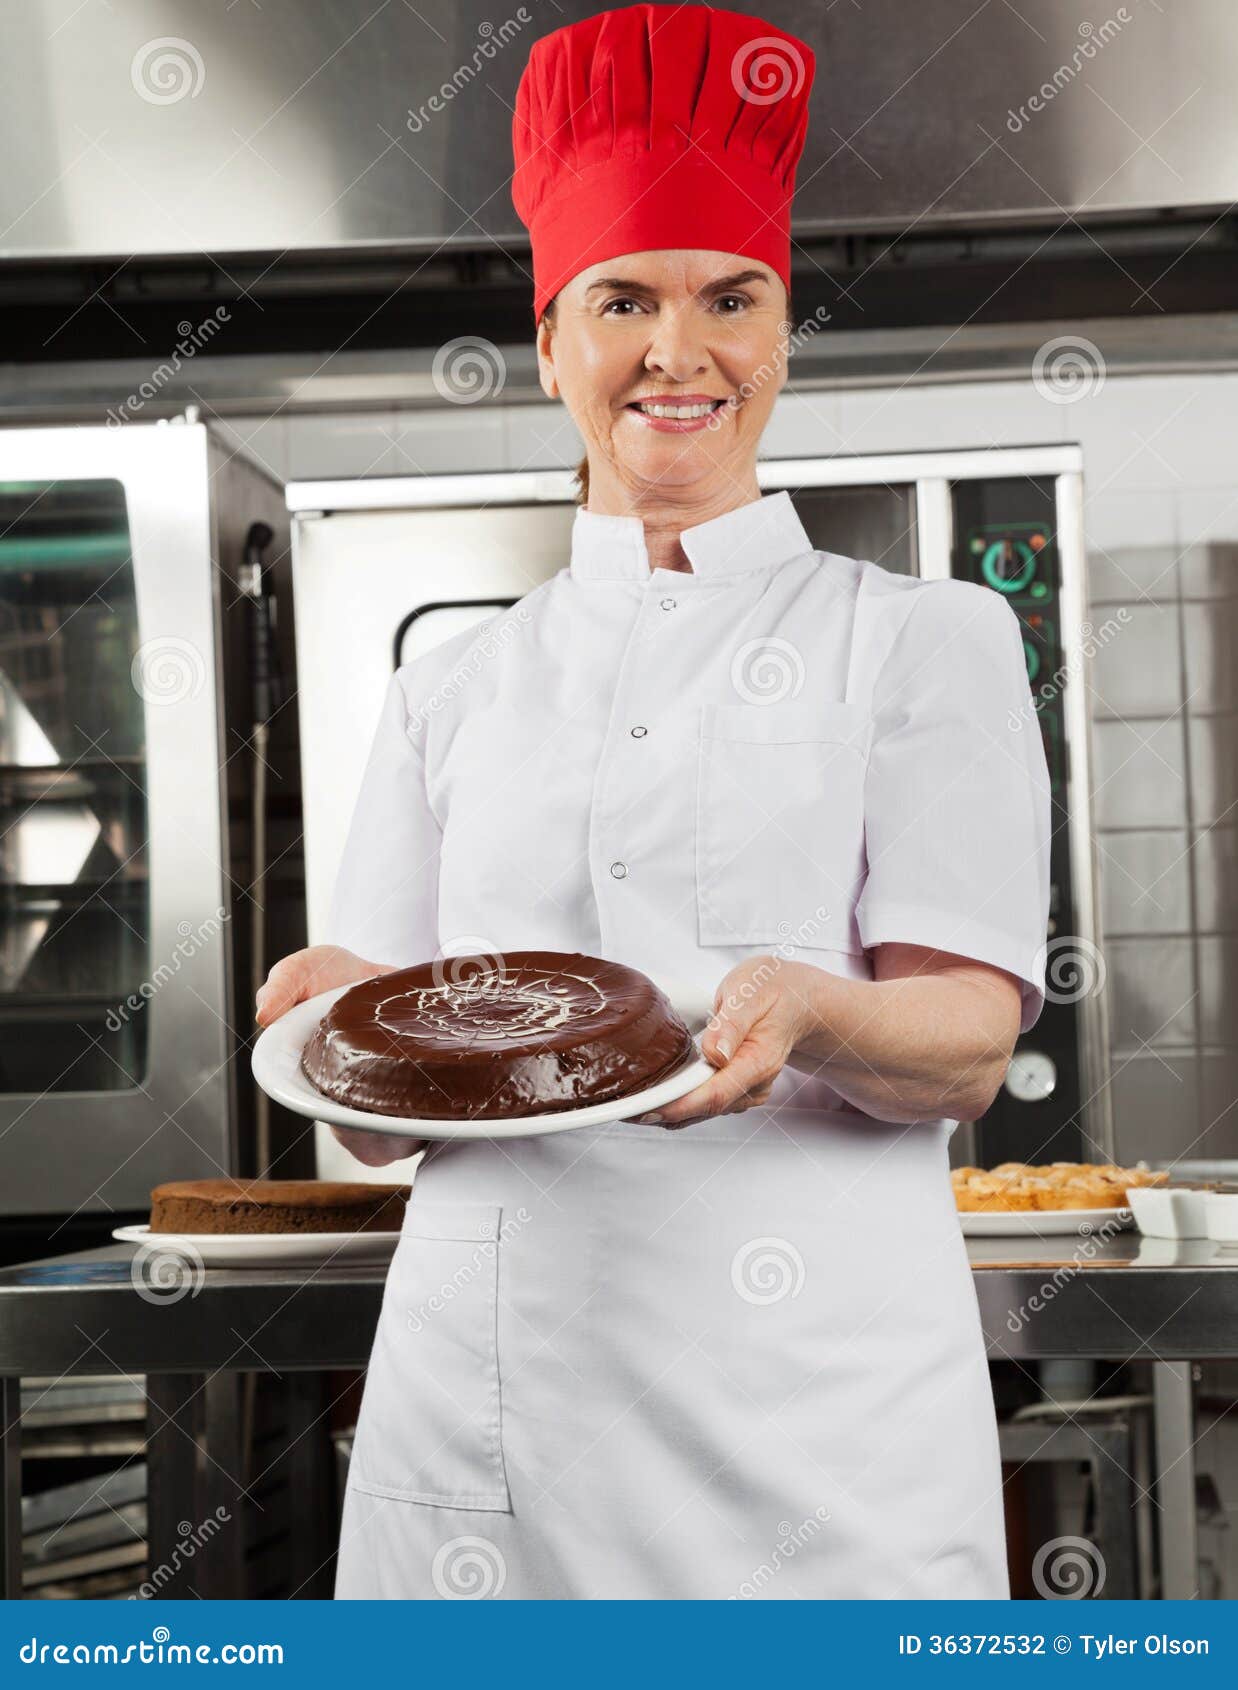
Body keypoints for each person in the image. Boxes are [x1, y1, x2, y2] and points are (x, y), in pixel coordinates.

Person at [256, 4, 1050, 1599]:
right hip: (495, 1412)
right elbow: (371, 1115)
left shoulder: (917, 636)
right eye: (621, 299)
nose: (676, 352)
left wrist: (805, 1013)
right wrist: (337, 1021)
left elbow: (965, 1041)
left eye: (727, 299)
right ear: (550, 342)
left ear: (780, 335)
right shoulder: (450, 688)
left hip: (819, 1430)